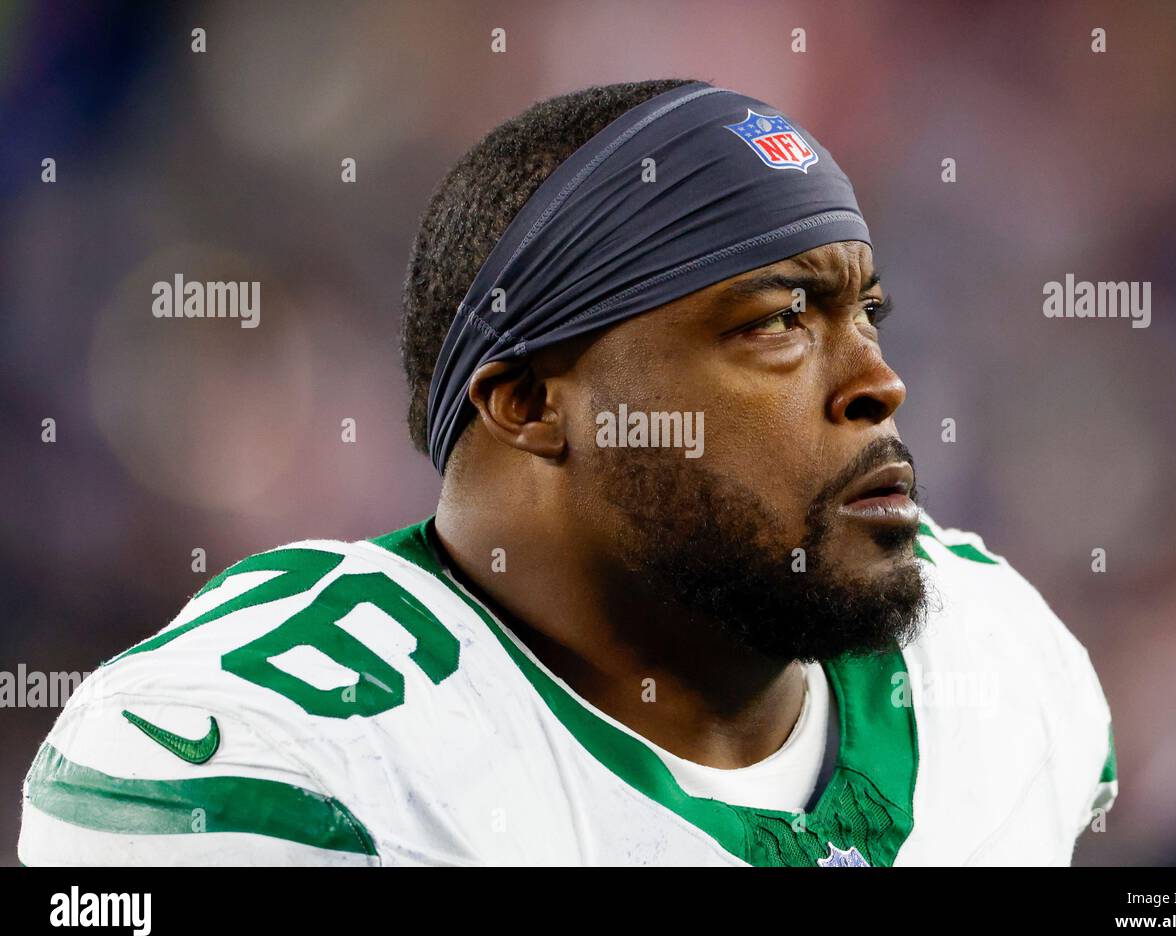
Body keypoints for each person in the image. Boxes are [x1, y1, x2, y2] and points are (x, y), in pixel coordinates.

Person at [19, 79, 1115, 866]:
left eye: (866, 312)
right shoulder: (281, 758)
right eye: (780, 321)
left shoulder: (997, 657)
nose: (879, 381)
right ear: (532, 402)